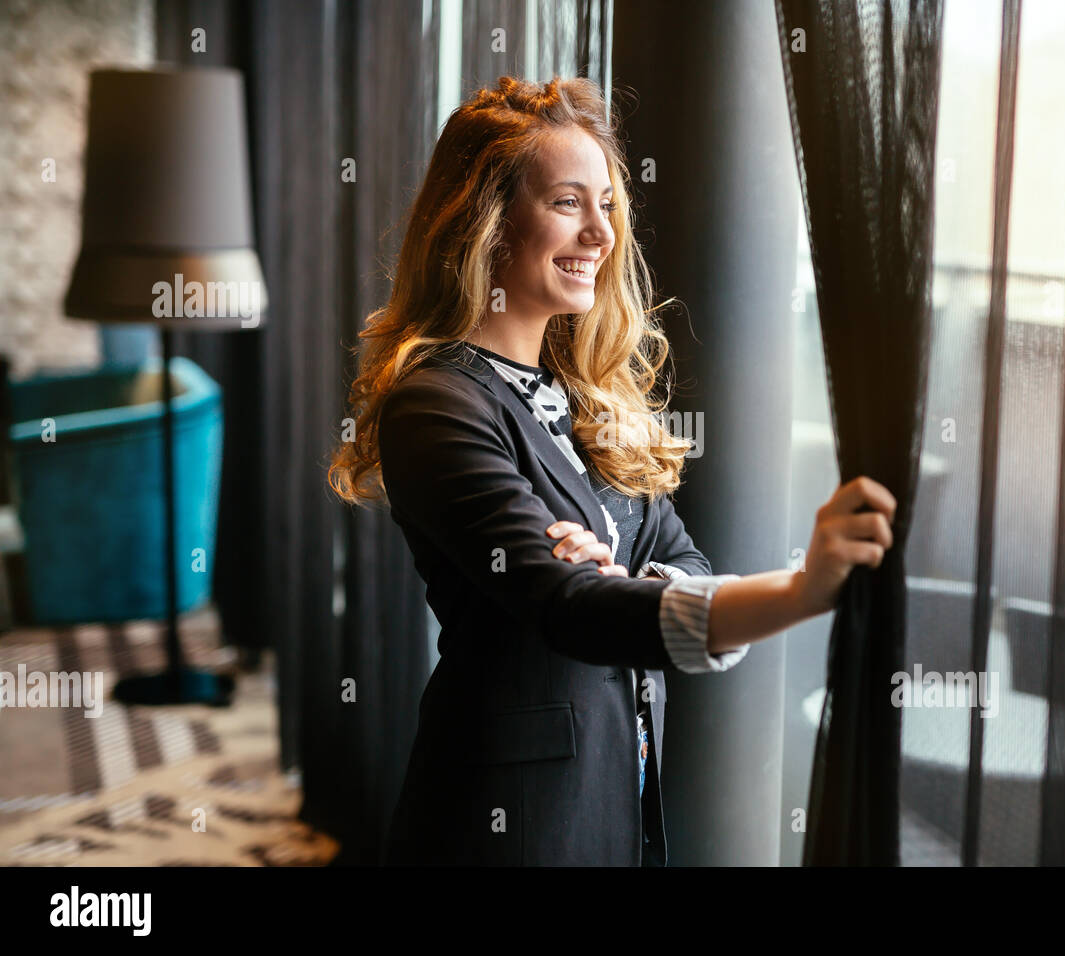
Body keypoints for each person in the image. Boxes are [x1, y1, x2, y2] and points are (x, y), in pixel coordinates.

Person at [327, 75, 896, 866]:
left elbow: (683, 557)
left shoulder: (580, 401)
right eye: (567, 202)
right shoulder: (437, 403)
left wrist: (624, 580)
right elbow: (570, 607)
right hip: (506, 822)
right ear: (485, 224)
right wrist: (803, 593)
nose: (601, 232)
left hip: (616, 795)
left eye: (607, 205)